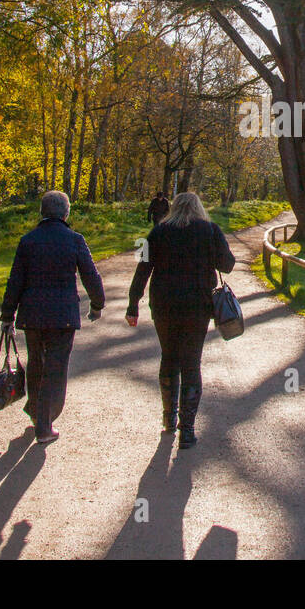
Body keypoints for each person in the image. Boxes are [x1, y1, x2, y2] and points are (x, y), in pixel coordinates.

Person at [125, 191, 235, 449]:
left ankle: (168, 419)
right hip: (197, 306)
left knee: (169, 358)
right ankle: (187, 430)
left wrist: (133, 304)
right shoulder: (209, 230)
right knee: (191, 363)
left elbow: (142, 270)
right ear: (199, 208)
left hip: (164, 306)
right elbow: (227, 265)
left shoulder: (158, 233)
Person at [0, 190, 105, 445]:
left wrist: (7, 316)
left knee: (37, 363)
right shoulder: (75, 240)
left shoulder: (28, 241)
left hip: (33, 315)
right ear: (66, 213)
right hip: (63, 316)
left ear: (42, 212)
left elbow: (16, 280)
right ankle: (44, 425)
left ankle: (37, 414)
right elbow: (91, 275)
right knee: (55, 370)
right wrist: (97, 305)